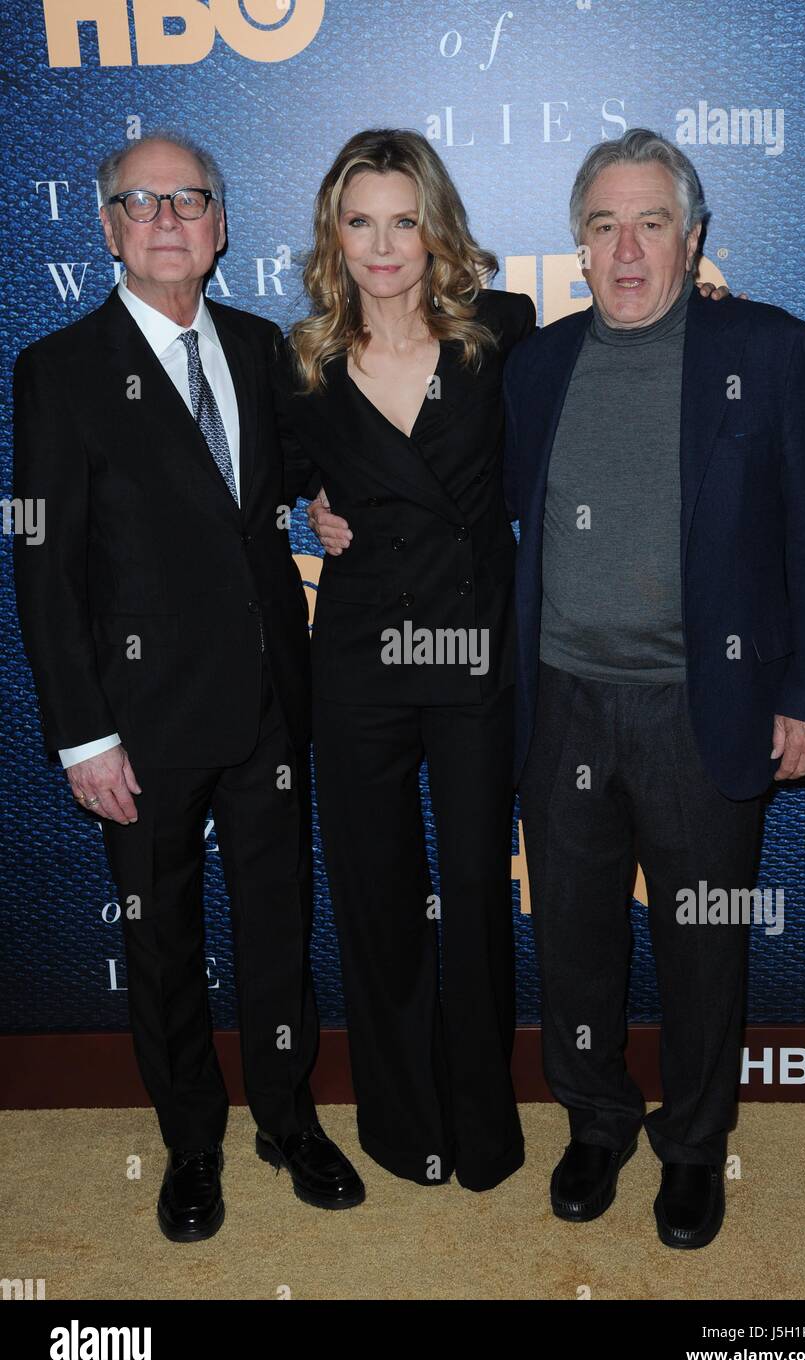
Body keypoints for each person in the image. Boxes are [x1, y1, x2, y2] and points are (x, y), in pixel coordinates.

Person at [503, 128, 805, 1248]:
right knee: (571, 935)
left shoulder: (774, 349)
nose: (625, 248)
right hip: (562, 698)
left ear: (693, 234)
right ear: (579, 242)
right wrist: (339, 516)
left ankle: (694, 1145)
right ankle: (597, 1121)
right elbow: (470, 513)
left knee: (704, 944)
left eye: (650, 221)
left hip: (707, 703)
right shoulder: (537, 365)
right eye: (602, 224)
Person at [13, 131, 363, 1243]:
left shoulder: (265, 349)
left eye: (190, 200)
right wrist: (82, 739)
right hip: (138, 724)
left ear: (219, 228)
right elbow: (45, 570)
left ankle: (285, 1116)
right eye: (142, 201)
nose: (168, 218)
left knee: (276, 928)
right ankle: (191, 1141)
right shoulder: (59, 371)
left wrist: (323, 507)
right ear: (109, 227)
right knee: (160, 942)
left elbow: (299, 477)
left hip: (267, 704)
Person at [279, 128, 537, 1191]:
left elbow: (603, 377)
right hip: (358, 664)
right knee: (378, 895)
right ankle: (401, 1122)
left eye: (402, 219)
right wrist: (316, 505)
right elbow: (279, 481)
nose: (383, 246)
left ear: (434, 229)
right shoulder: (302, 364)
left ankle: (482, 1129)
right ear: (335, 237)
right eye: (360, 221)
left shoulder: (503, 335)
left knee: (475, 891)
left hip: (473, 655)